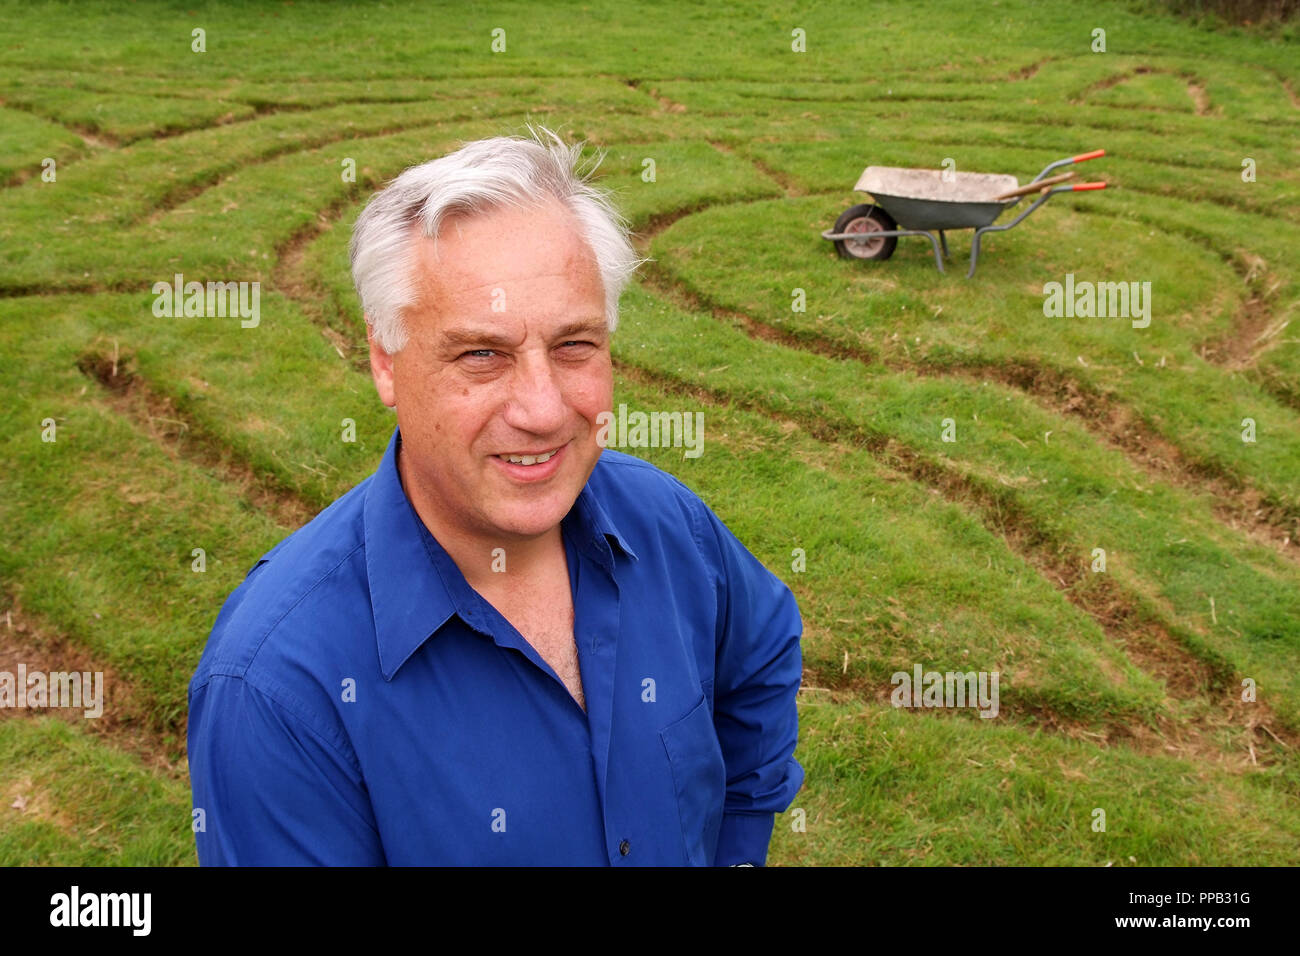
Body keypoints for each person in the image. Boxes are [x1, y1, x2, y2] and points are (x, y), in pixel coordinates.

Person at [187, 127, 804, 866]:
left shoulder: (668, 524)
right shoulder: (276, 691)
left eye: (575, 344)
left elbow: (761, 659)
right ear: (386, 364)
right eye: (482, 354)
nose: (543, 410)